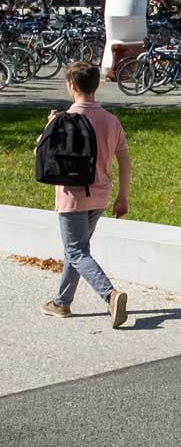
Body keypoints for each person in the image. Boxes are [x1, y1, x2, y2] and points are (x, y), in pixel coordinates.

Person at [38, 63, 131, 328]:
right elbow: (125, 162)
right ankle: (61, 303)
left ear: (71, 86)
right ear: (96, 86)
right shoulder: (112, 121)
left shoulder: (62, 120)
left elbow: (41, 157)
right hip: (100, 196)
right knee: (77, 249)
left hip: (72, 197)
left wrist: (48, 129)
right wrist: (122, 197)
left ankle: (110, 295)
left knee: (76, 251)